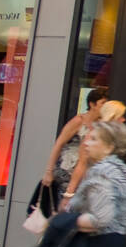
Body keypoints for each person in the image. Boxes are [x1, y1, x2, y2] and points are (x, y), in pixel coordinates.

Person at [35, 88, 107, 218]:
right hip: (67, 171)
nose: (105, 107)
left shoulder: (101, 124)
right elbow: (59, 144)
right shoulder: (79, 121)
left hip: (85, 174)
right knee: (64, 210)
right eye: (102, 103)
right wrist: (49, 171)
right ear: (92, 104)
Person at [59, 100, 126, 209]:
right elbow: (81, 164)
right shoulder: (93, 135)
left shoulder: (116, 137)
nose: (124, 119)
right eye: (121, 116)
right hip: (91, 189)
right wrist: (69, 194)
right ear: (113, 116)